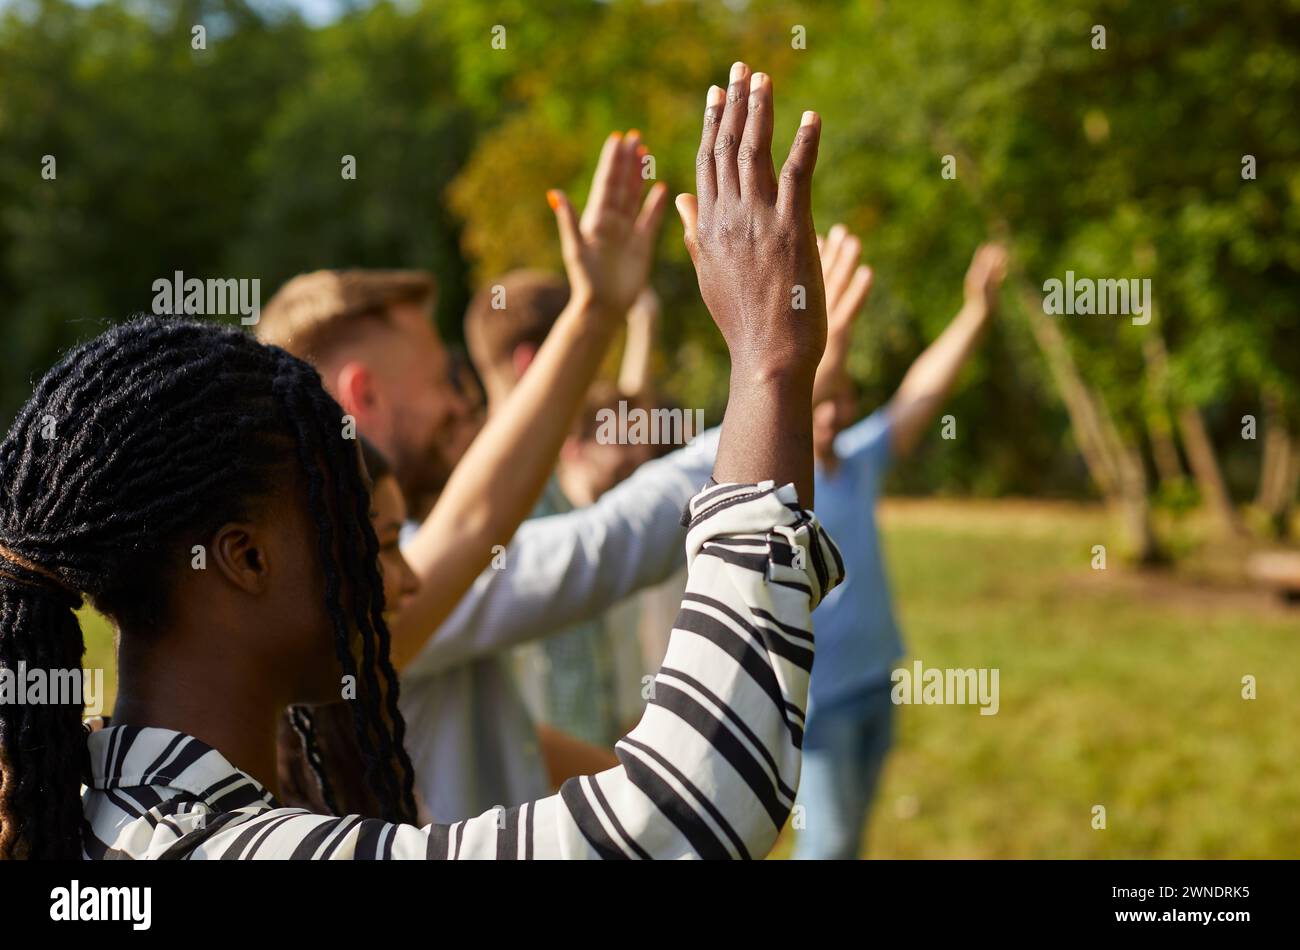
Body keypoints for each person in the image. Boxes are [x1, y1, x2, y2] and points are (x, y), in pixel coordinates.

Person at [0, 62, 842, 859]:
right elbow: (690, 812)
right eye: (351, 526)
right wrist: (769, 363)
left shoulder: (79, 802)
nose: (400, 580)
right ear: (246, 557)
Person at [257, 140, 723, 822]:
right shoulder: (354, 584)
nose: (458, 402)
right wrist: (767, 397)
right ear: (366, 396)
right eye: (439, 380)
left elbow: (488, 733)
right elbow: (568, 542)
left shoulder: (388, 574)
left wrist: (675, 809)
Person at [793, 231, 1008, 859]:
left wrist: (975, 313)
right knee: (827, 845)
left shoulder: (857, 462)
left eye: (842, 399)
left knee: (851, 839)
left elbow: (922, 393)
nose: (832, 413)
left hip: (875, 680)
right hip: (821, 704)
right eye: (820, 400)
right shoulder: (782, 486)